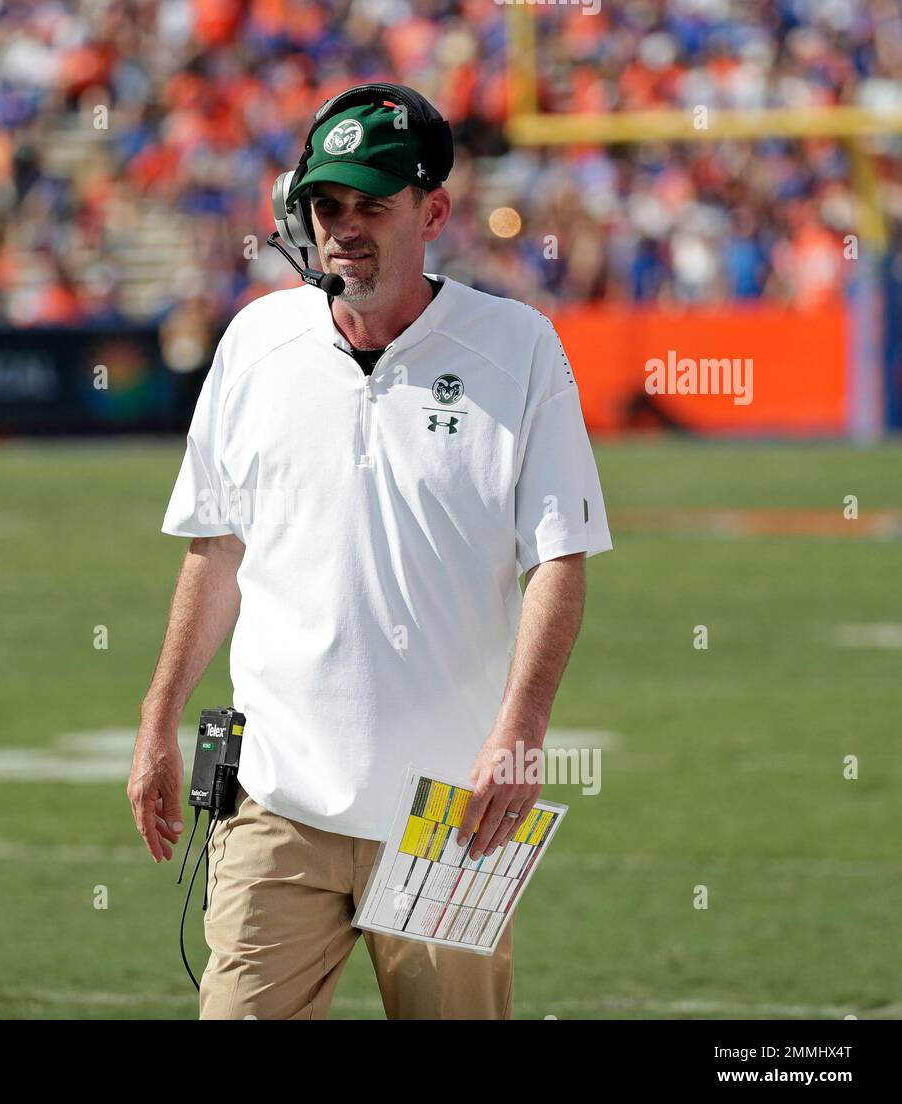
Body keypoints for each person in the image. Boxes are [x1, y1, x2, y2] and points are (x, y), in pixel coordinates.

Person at [128, 85, 612, 1020]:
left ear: (433, 210)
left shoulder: (517, 348)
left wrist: (521, 730)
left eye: (373, 204)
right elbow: (216, 548)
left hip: (449, 816)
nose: (346, 227)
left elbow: (559, 557)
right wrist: (158, 715)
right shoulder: (257, 342)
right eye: (328, 204)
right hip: (277, 798)